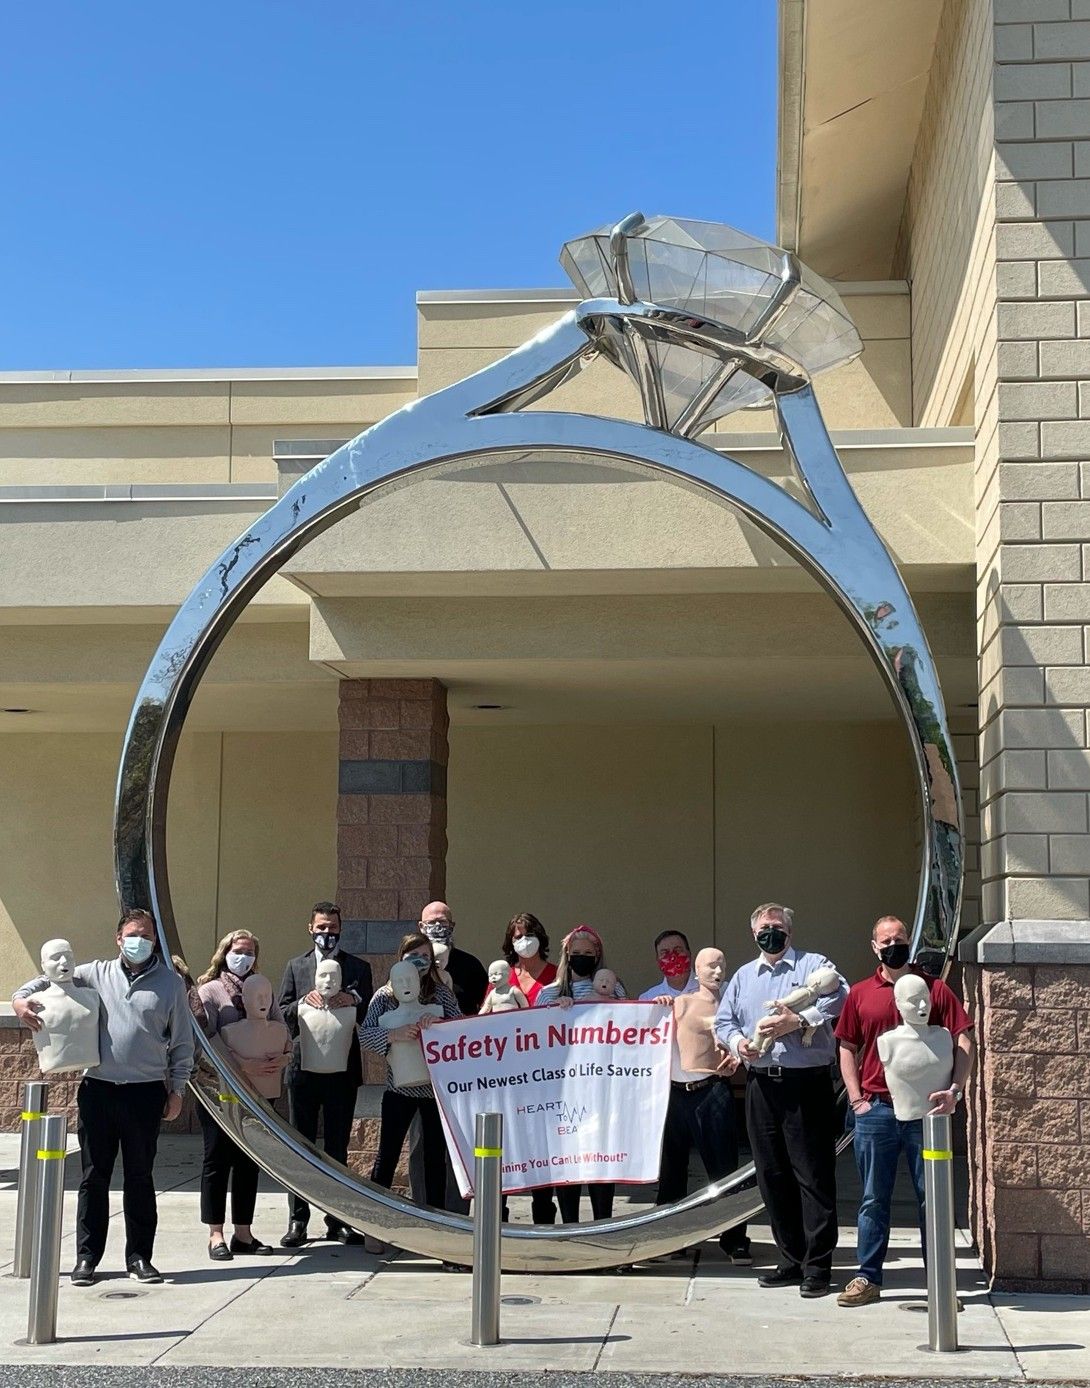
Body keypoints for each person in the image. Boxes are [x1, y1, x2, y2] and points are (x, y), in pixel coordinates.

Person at [12, 908, 194, 1287]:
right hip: (99, 1090)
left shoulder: (171, 984)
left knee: (140, 1177)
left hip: (145, 1093)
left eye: (146, 935)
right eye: (132, 934)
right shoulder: (95, 973)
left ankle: (140, 1257)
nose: (139, 941)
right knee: (94, 1176)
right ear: (118, 938)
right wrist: (18, 1000)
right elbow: (48, 978)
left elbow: (182, 1042)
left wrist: (177, 1090)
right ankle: (87, 1257)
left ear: (155, 940)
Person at [834, 914, 974, 1307]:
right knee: (872, 1197)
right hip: (877, 1110)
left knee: (933, 1197)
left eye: (900, 939)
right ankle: (867, 1277)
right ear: (874, 947)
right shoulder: (861, 994)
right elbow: (847, 1047)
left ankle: (940, 1283)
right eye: (887, 941)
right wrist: (857, 1099)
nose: (894, 945)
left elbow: (964, 1039)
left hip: (927, 1114)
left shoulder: (935, 989)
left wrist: (956, 1090)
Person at [715, 903, 847, 1298]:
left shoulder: (814, 964)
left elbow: (842, 995)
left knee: (812, 1175)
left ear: (789, 931)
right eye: (764, 927)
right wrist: (738, 1044)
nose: (770, 932)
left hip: (805, 1085)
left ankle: (817, 1266)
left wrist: (800, 1020)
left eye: (777, 926)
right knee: (772, 1175)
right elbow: (724, 1021)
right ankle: (790, 1258)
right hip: (761, 1085)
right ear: (753, 932)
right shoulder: (743, 976)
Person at [277, 901, 372, 1247]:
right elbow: (282, 1010)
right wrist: (305, 1000)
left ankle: (338, 1219)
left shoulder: (358, 967)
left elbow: (371, 1010)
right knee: (300, 1145)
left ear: (340, 929)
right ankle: (298, 1219)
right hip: (303, 1070)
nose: (326, 933)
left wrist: (353, 998)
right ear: (310, 928)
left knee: (337, 1147)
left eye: (332, 928)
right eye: (321, 927)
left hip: (342, 1072)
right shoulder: (295, 966)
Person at [651, 947, 750, 1263]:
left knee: (724, 1168)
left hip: (712, 1089)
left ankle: (734, 1239)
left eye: (722, 965)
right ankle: (669, 1237)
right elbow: (645, 1032)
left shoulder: (732, 1004)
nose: (717, 971)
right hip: (676, 1092)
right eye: (710, 966)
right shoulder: (679, 1003)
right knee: (672, 1170)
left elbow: (746, 1040)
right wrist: (658, 1008)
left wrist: (738, 1058)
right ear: (697, 970)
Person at [196, 929, 281, 1260]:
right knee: (217, 1159)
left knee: (249, 1160)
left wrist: (282, 1056)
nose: (243, 957)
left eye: (249, 952)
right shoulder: (210, 991)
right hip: (219, 1089)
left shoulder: (262, 988)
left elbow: (278, 1026)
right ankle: (215, 1234)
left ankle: (243, 1233)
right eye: (238, 951)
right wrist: (241, 1065)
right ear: (224, 953)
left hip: (257, 1091)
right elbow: (206, 1038)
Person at [359, 934, 461, 1207]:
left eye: (425, 956)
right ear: (401, 957)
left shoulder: (441, 994)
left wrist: (439, 1025)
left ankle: (436, 1215)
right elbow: (365, 1035)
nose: (420, 961)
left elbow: (461, 1030)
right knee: (387, 1154)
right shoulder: (384, 997)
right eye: (413, 955)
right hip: (398, 1089)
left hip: (433, 1091)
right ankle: (377, 1212)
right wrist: (393, 1034)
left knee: (434, 1157)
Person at [536, 924, 625, 1222]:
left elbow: (629, 1025)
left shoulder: (614, 988)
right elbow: (534, 1040)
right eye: (577, 952)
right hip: (563, 1092)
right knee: (568, 1159)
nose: (583, 957)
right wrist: (556, 1013)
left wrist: (608, 1003)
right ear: (567, 954)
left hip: (601, 1088)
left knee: (601, 1158)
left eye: (589, 953)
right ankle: (569, 1225)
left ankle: (603, 1222)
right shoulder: (549, 993)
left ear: (597, 956)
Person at [418, 900, 488, 1015]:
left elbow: (486, 1005)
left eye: (442, 922)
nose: (437, 926)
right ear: (421, 927)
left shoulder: (470, 965)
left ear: (452, 926)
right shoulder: (414, 965)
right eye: (431, 922)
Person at [499, 912, 557, 1006]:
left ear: (539, 937)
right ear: (511, 942)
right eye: (519, 937)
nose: (525, 940)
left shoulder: (557, 975)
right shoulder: (502, 977)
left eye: (529, 935)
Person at [638, 929, 698, 1003]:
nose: (672, 957)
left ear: (689, 954)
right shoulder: (648, 998)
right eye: (664, 953)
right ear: (657, 960)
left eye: (677, 950)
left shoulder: (708, 990)